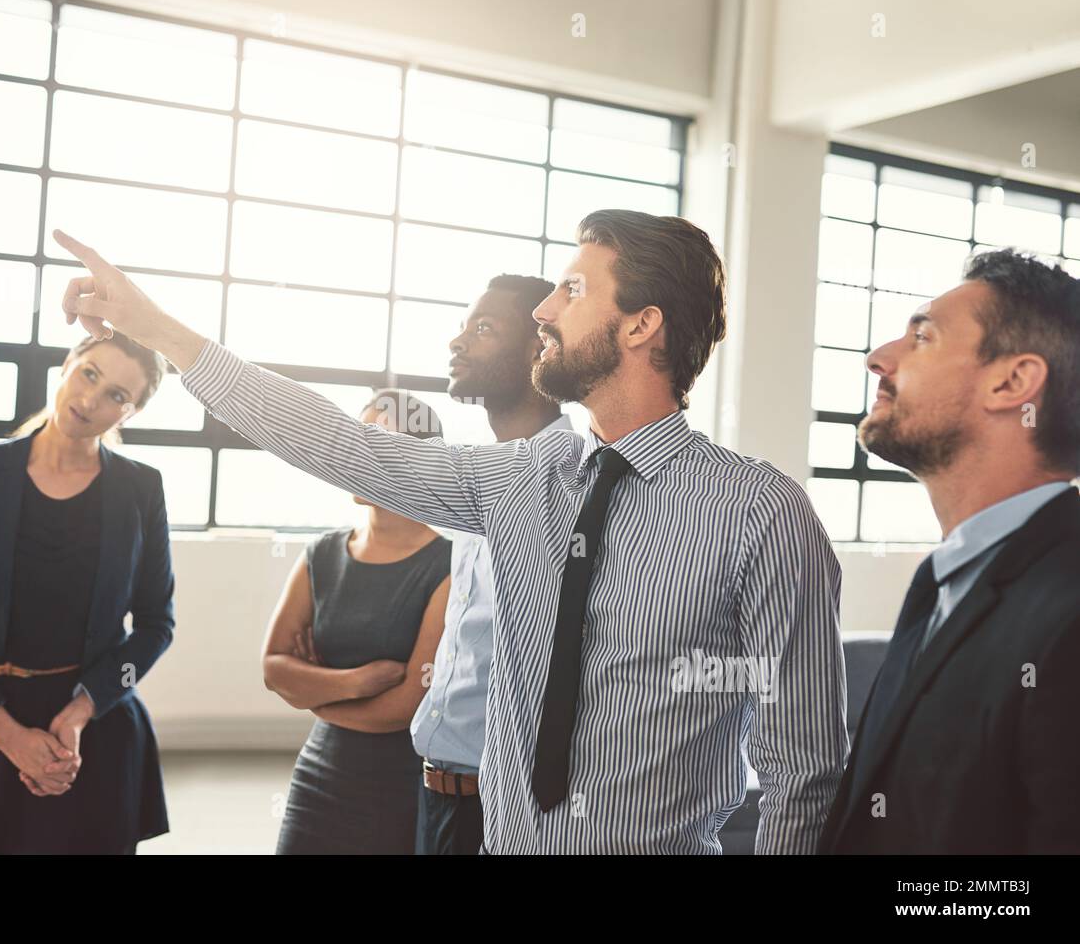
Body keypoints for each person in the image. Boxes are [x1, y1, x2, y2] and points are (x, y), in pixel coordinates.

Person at [50, 209, 847, 855]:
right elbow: (341, 444)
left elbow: (802, 772)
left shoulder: (760, 515)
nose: (543, 309)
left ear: (642, 326)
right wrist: (158, 330)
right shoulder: (522, 478)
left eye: (571, 289)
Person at [819, 249, 1080, 854]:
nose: (878, 358)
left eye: (923, 337)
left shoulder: (1068, 613)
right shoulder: (948, 583)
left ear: (1012, 383)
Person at [0, 332, 175, 854]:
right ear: (67, 364)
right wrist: (6, 735)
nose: (90, 401)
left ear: (128, 414)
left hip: (94, 729)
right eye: (89, 374)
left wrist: (81, 711)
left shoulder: (141, 489)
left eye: (116, 396)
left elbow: (156, 623)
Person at [412, 274, 570, 855]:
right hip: (438, 789)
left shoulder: (572, 483)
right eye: (462, 327)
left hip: (505, 804)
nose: (457, 343)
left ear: (540, 348)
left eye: (482, 328)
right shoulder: (473, 476)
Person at [263, 389, 451, 854]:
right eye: (354, 438)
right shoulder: (323, 552)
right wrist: (355, 681)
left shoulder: (448, 564)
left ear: (417, 460)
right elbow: (273, 669)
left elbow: (407, 706)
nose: (355, 453)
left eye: (375, 440)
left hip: (400, 790)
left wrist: (313, 690)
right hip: (317, 775)